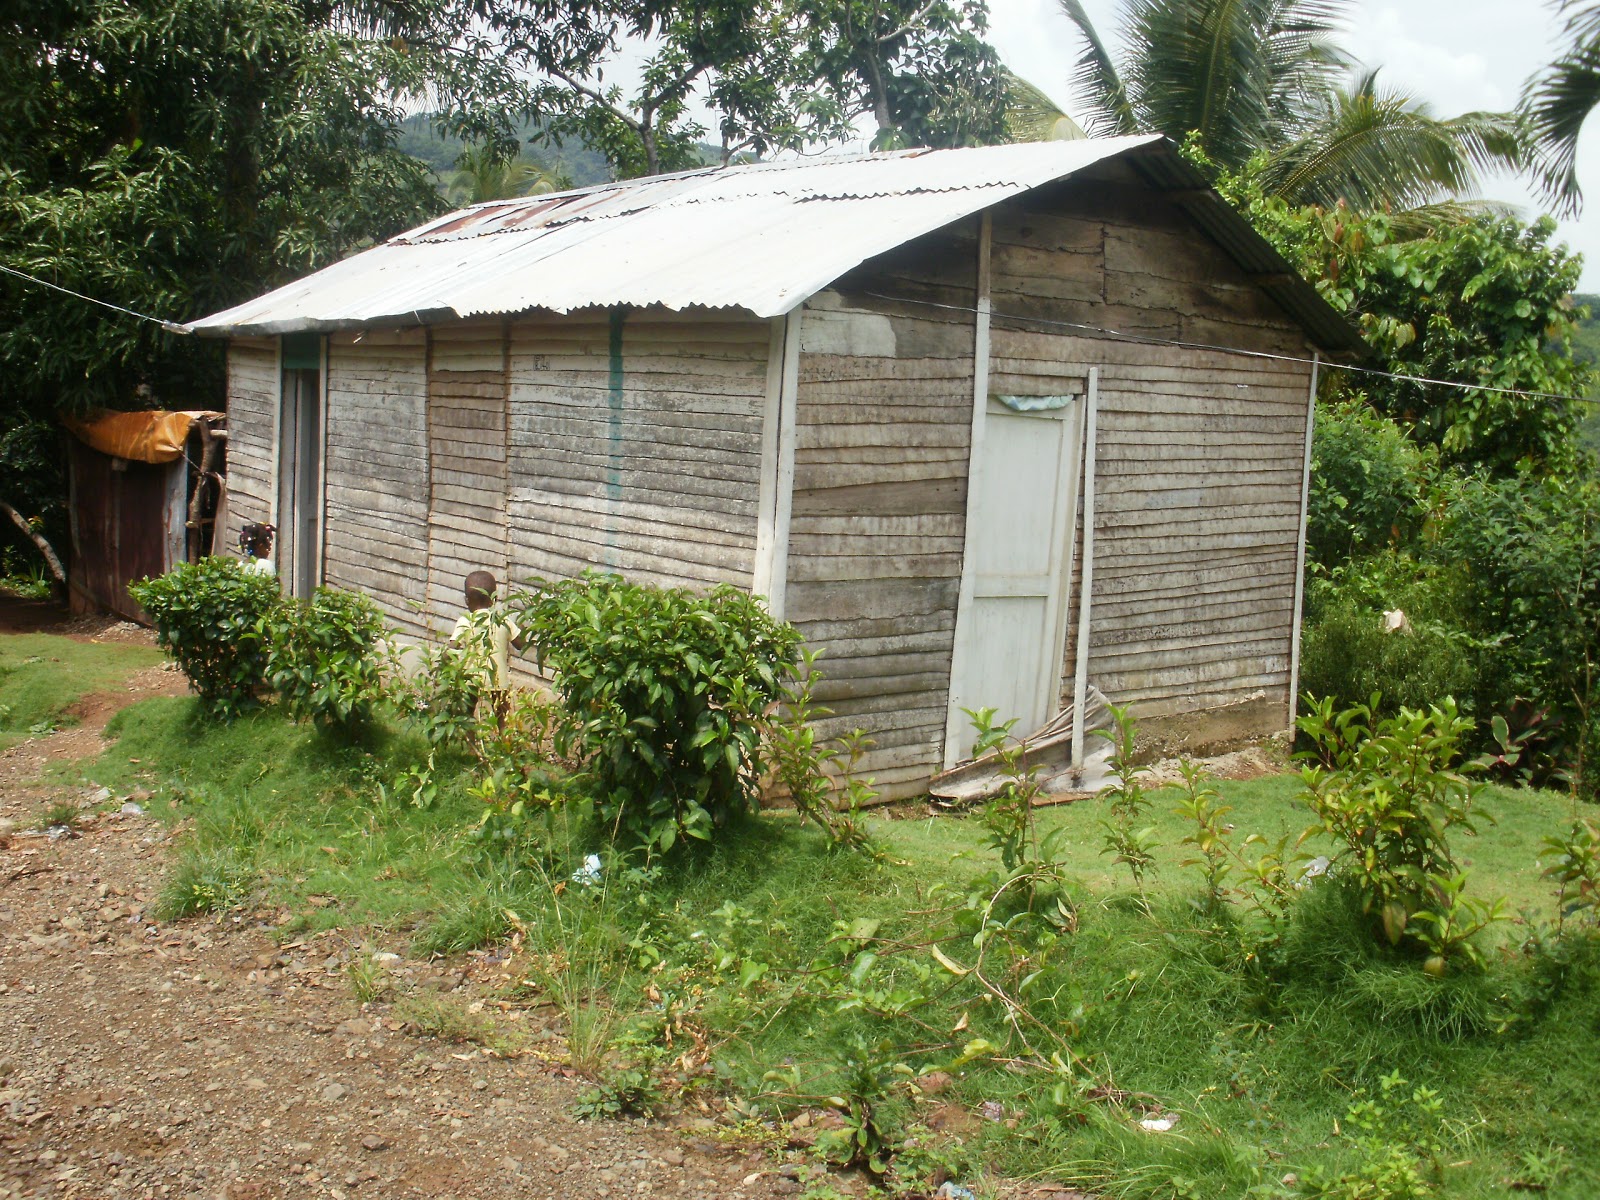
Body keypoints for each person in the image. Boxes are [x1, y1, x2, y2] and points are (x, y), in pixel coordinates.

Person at [450, 570, 520, 724]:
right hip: (498, 679)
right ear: (494, 599)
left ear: (466, 600)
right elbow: (521, 644)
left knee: (467, 715)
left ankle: (471, 747)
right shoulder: (502, 619)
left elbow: (452, 648)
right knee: (503, 717)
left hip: (470, 678)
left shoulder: (466, 621)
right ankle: (505, 746)